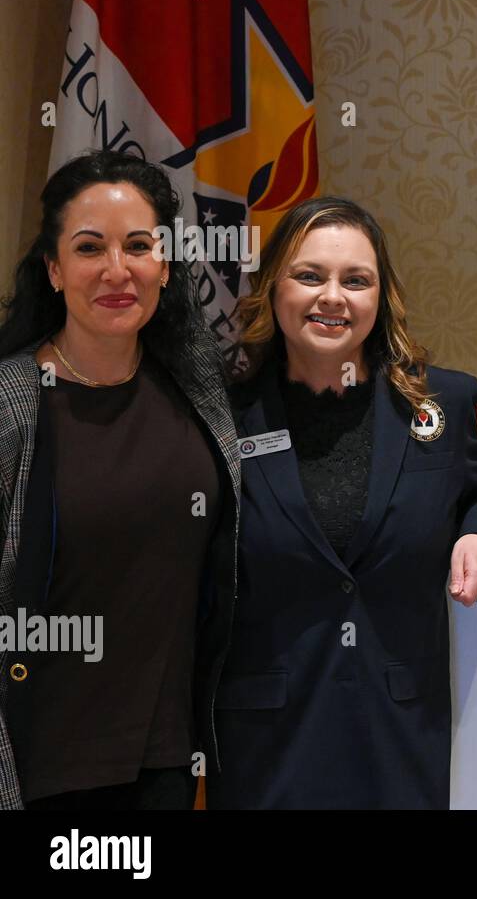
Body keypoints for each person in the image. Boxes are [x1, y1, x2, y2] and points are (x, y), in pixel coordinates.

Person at [207, 196, 477, 809]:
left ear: (381, 297)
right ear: (273, 288)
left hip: (398, 730)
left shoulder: (444, 402)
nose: (333, 297)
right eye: (309, 275)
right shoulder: (222, 408)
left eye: (356, 280)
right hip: (266, 740)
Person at [0, 151, 241, 810]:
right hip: (34, 773)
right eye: (88, 248)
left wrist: (451, 417)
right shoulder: (11, 405)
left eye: (139, 245)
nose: (116, 269)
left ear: (165, 264)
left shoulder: (201, 398)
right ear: (52, 268)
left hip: (164, 764)